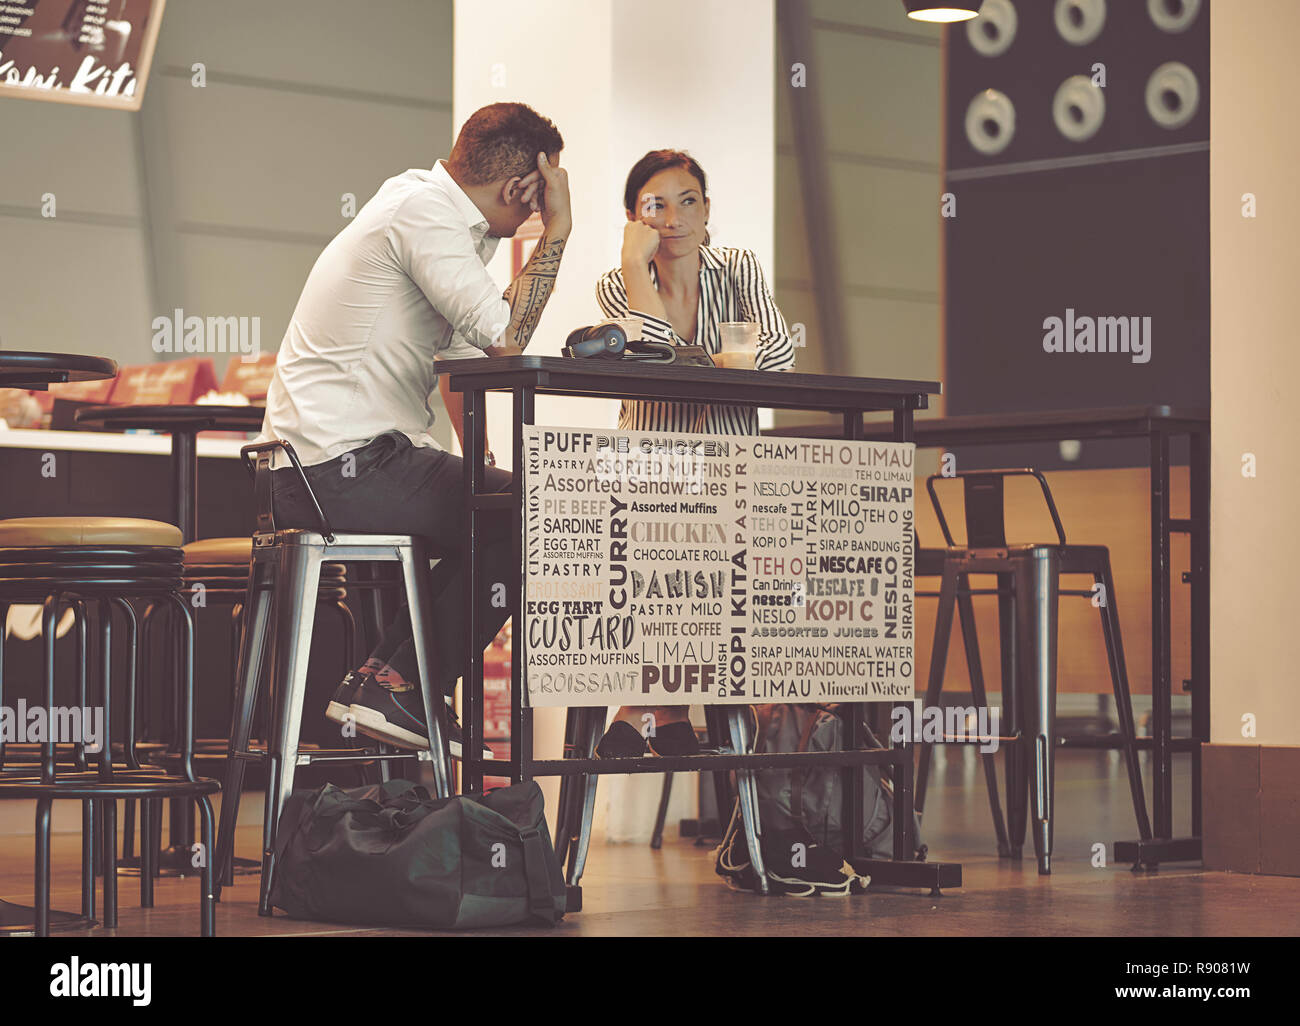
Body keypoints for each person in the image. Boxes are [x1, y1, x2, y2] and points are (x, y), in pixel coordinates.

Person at [259, 102, 572, 757]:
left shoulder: (426, 212)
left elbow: (463, 363)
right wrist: (559, 235)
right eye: (541, 198)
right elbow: (509, 339)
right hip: (338, 470)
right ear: (521, 188)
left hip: (328, 467)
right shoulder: (423, 214)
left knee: (500, 513)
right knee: (540, 515)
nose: (539, 212)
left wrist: (478, 471)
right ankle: (397, 686)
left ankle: (387, 685)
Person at [592, 149, 796, 758]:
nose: (675, 218)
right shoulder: (615, 284)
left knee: (699, 547)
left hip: (730, 475)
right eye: (656, 205)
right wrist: (637, 273)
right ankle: (669, 712)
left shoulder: (736, 269)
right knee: (661, 544)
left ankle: (643, 710)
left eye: (689, 202)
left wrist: (703, 363)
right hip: (648, 468)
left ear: (708, 212)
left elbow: (780, 359)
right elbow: (651, 357)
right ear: (634, 216)